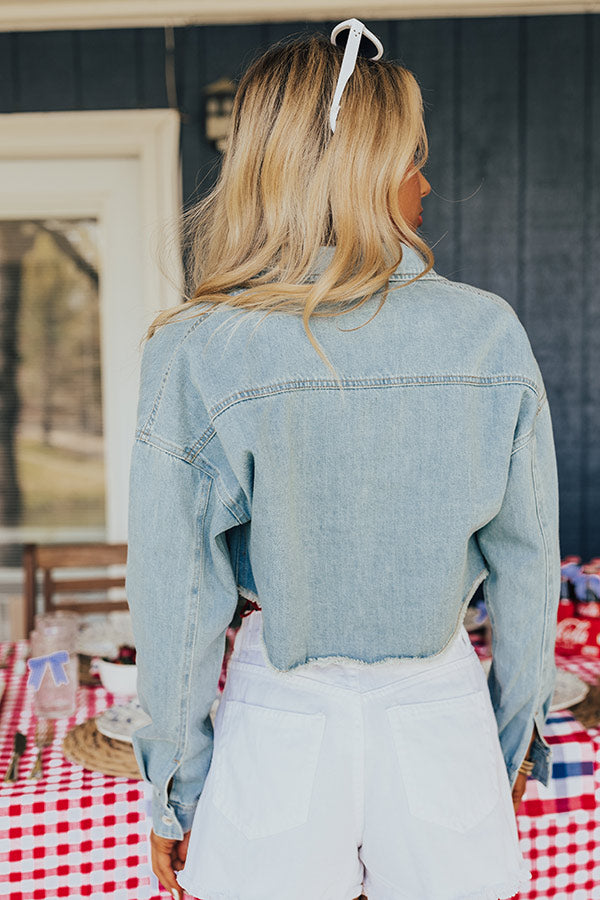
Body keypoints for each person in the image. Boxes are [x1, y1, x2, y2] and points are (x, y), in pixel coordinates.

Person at [125, 18, 561, 900]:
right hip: (438, 717)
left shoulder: (200, 347)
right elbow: (528, 568)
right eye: (410, 158)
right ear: (354, 169)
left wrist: (174, 787)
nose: (426, 181)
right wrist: (515, 739)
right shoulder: (487, 333)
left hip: (281, 716)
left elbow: (178, 600)